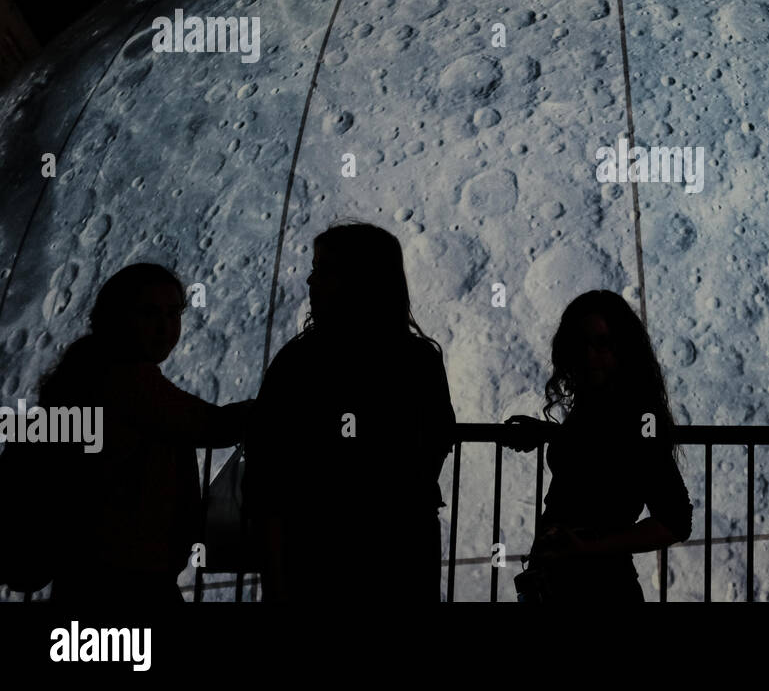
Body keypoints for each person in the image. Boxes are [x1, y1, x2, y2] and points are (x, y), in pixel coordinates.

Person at [242, 222, 455, 604]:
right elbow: (432, 446)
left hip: (315, 556)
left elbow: (266, 476)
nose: (310, 281)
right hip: (400, 552)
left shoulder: (300, 362)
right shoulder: (418, 360)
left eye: (323, 269)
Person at [36, 262, 252, 603]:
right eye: (149, 314)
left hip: (88, 572)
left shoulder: (87, 368)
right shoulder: (127, 380)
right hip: (125, 580)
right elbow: (213, 425)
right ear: (118, 317)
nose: (165, 327)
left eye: (172, 313)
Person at [504, 290, 692, 602]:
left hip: (596, 585)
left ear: (623, 349)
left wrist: (589, 548)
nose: (589, 355)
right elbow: (602, 452)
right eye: (580, 344)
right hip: (572, 581)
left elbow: (675, 522)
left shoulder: (636, 416)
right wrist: (553, 434)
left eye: (602, 343)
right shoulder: (601, 406)